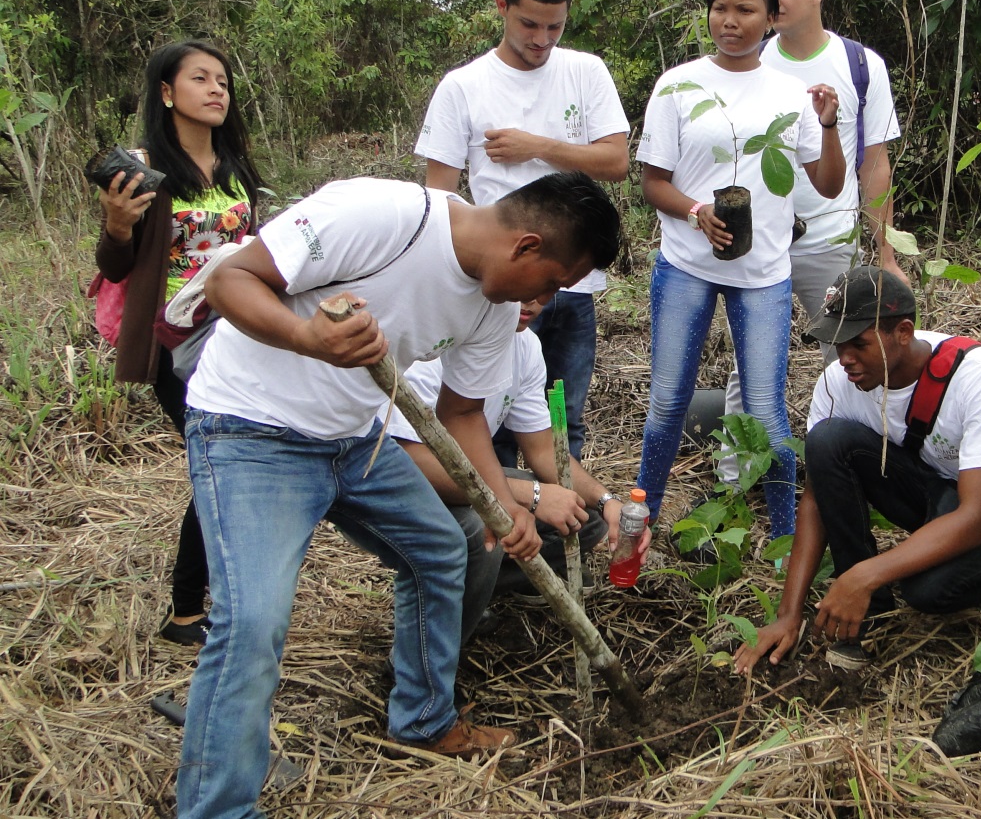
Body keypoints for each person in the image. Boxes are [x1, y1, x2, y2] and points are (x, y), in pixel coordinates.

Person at [178, 171, 620, 819]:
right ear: (525, 247)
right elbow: (229, 280)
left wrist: (503, 506)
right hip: (252, 430)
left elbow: (463, 411)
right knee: (253, 622)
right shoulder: (380, 215)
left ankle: (422, 718)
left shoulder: (493, 309)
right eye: (553, 282)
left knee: (445, 550)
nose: (547, 300)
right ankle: (218, 809)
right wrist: (307, 338)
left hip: (357, 440)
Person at [732, 266, 981, 672]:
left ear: (902, 332)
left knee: (926, 591)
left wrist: (866, 574)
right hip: (937, 488)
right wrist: (788, 613)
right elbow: (816, 497)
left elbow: (977, 518)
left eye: (858, 344)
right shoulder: (837, 382)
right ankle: (868, 613)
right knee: (827, 441)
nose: (845, 359)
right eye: (836, 343)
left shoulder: (978, 375)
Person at [635, 0, 844, 537]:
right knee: (666, 409)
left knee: (769, 419)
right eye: (720, 8)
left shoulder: (789, 95)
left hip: (765, 272)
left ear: (772, 19)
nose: (730, 21)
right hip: (685, 265)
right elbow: (653, 181)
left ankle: (782, 545)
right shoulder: (677, 85)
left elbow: (827, 185)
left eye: (746, 10)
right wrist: (696, 212)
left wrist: (828, 125)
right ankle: (640, 526)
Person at [415, 0, 630, 460]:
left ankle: (560, 528)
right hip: (502, 283)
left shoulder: (585, 71)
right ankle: (507, 522)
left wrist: (538, 146)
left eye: (554, 26)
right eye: (529, 23)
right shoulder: (463, 86)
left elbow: (617, 159)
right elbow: (439, 195)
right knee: (488, 414)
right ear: (501, 7)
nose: (541, 39)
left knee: (562, 416)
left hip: (572, 281)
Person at [94, 40, 263, 648]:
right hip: (174, 338)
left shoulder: (234, 164)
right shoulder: (141, 170)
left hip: (234, 333)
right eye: (201, 79)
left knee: (226, 460)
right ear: (167, 93)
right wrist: (117, 224)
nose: (218, 89)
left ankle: (201, 604)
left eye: (222, 80)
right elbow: (115, 265)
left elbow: (254, 247)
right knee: (217, 460)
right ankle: (187, 611)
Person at [715, 0, 905, 482]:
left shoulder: (859, 65)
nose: (772, 6)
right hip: (766, 240)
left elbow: (875, 161)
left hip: (831, 238)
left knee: (848, 356)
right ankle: (736, 479)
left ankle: (841, 475)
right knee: (749, 365)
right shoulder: (751, 60)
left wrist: (885, 249)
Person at [382, 297, 649, 642]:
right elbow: (410, 462)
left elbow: (541, 449)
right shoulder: (441, 343)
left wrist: (607, 502)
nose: (533, 300)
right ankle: (429, 660)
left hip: (470, 481)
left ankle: (471, 588)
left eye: (546, 289)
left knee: (583, 517)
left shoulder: (524, 346)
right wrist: (532, 495)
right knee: (483, 530)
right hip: (408, 485)